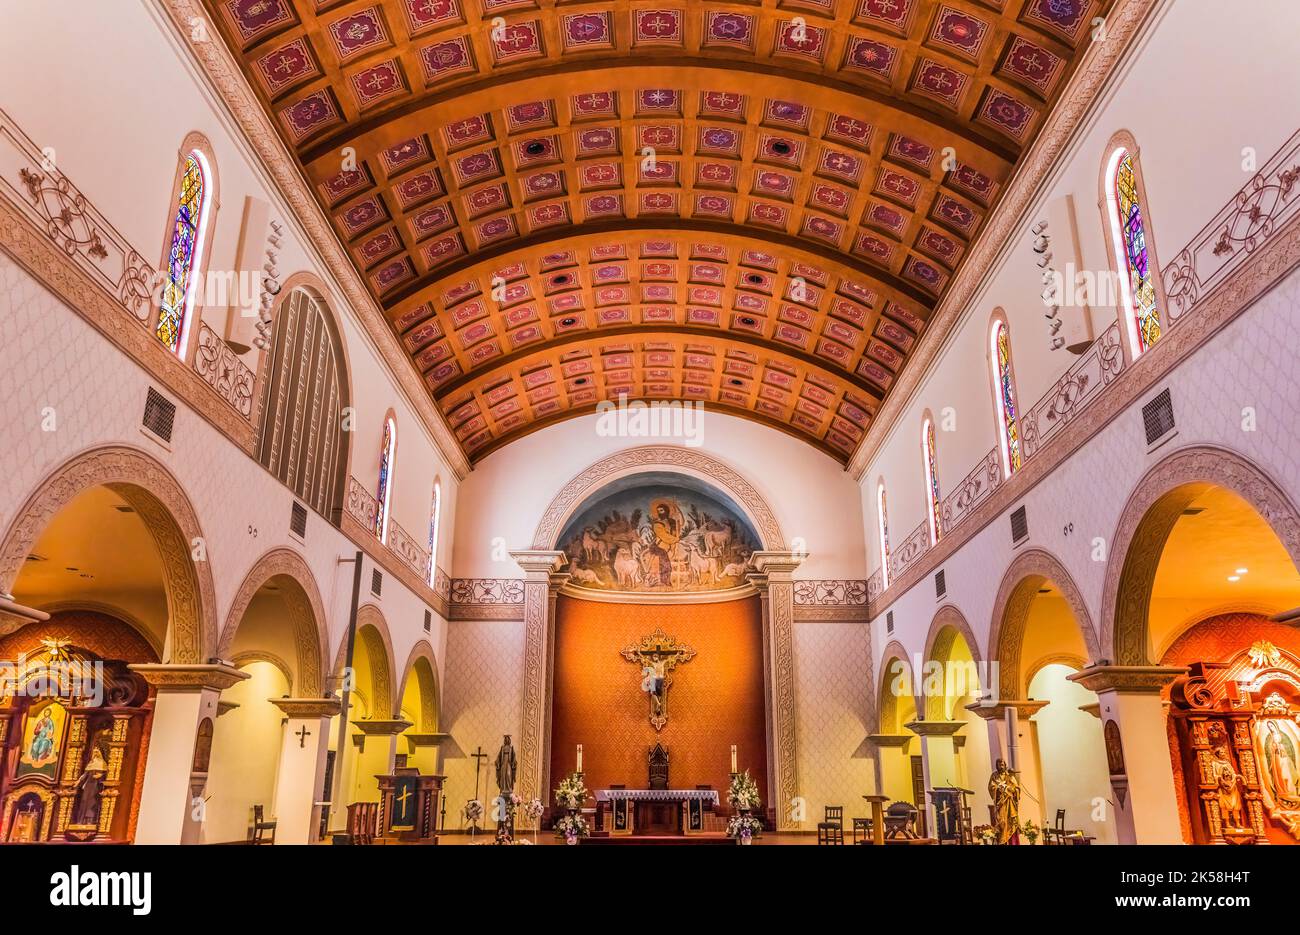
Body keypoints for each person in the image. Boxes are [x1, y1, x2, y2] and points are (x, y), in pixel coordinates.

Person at [988, 758, 1021, 844]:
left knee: (1011, 824)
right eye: (999, 765)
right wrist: (999, 789)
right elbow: (991, 788)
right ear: (997, 766)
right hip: (1000, 805)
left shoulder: (1009, 775)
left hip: (1010, 805)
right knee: (1002, 824)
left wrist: (1011, 789)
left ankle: (1012, 843)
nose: (1001, 766)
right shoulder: (994, 776)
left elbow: (1017, 789)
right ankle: (1002, 842)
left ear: (1005, 765)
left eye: (1002, 764)